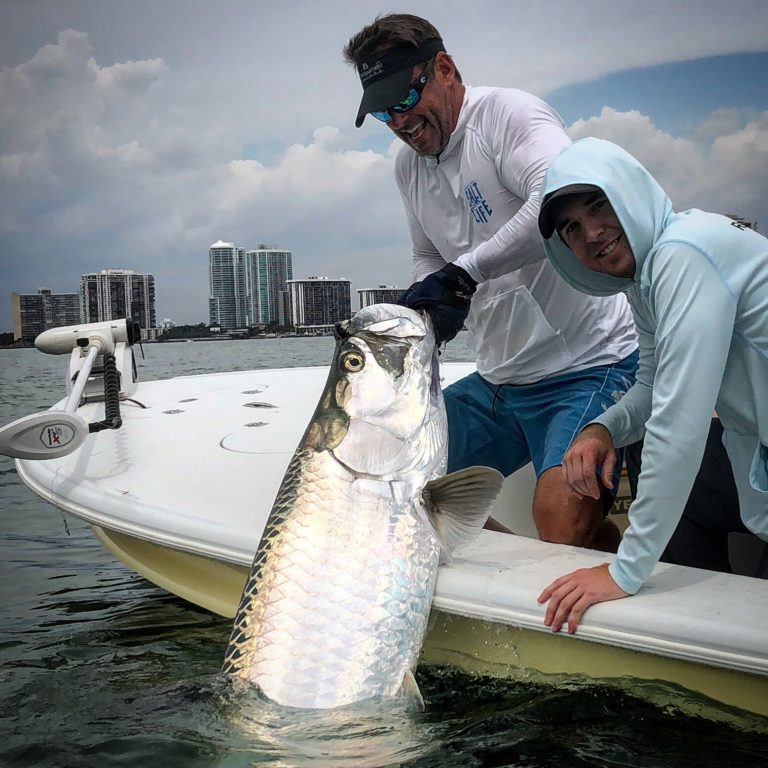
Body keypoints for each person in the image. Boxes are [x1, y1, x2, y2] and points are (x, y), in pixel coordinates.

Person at [342, 14, 638, 550]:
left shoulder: (509, 115)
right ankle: (514, 571)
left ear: (445, 69)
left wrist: (465, 273)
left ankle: (584, 549)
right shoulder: (407, 169)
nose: (398, 122)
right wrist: (428, 307)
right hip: (500, 378)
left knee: (559, 523)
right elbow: (426, 254)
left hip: (591, 365)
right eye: (382, 112)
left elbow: (555, 198)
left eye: (403, 100)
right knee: (391, 480)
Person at [535, 136, 768, 633]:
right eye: (571, 227)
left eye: (598, 205)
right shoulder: (647, 278)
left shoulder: (683, 254)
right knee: (639, 451)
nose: (591, 233)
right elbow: (652, 383)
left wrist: (625, 570)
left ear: (629, 191)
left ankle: (707, 626)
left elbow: (679, 420)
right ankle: (699, 619)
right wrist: (602, 428)